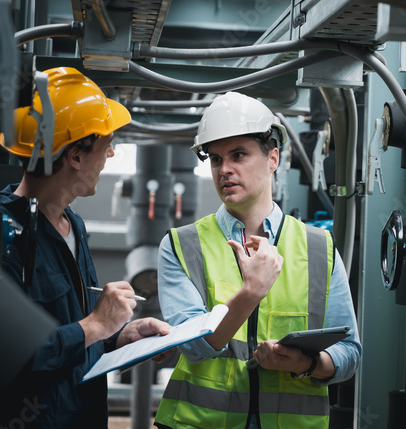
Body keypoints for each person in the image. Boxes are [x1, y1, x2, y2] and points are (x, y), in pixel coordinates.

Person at [154, 92, 362, 429]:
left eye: (239, 155)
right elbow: (192, 346)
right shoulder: (181, 244)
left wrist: (305, 363)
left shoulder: (318, 247)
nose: (225, 169)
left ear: (273, 158)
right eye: (216, 159)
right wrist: (251, 293)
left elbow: (349, 353)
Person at [0, 66, 172, 427]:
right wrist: (95, 325)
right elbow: (3, 356)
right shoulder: (2, 237)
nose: (110, 155)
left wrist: (121, 336)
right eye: (107, 146)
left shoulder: (73, 224)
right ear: (75, 156)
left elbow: (75, 334)